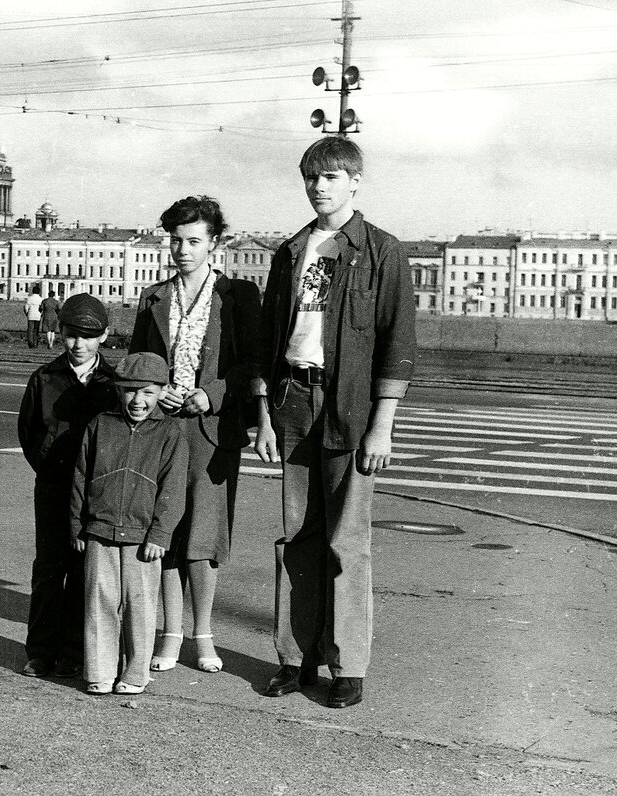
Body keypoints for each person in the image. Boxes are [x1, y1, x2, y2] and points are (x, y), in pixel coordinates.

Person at [251, 135, 416, 709]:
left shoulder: (382, 252)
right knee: (297, 536)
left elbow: (398, 342)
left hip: (351, 406)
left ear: (355, 182)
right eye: (311, 178)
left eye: (331, 177)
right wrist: (266, 415)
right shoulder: (291, 251)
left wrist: (383, 425)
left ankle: (348, 664)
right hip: (295, 400)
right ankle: (295, 659)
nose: (319, 187)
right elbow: (272, 339)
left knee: (348, 540)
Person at [128, 195, 261, 675]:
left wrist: (214, 394)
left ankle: (203, 636)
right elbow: (139, 363)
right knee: (164, 530)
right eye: (176, 241)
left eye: (193, 241)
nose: (182, 250)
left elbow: (253, 363)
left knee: (203, 537)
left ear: (214, 244)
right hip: (164, 429)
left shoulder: (239, 297)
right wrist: (154, 389)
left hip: (211, 429)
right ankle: (170, 635)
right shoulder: (155, 297)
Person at [71, 351, 187, 695]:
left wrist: (160, 533)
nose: (138, 400)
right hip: (99, 530)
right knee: (99, 601)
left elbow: (173, 487)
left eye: (148, 392)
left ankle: (136, 673)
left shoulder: (168, 432)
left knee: (140, 604)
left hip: (142, 537)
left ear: (162, 392)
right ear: (119, 391)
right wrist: (78, 525)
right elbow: (80, 476)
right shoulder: (101, 425)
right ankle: (100, 671)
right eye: (130, 391)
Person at [16, 293, 118, 679]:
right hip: (55, 488)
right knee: (48, 569)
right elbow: (29, 432)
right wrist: (50, 468)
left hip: (96, 493)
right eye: (71, 334)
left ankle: (74, 652)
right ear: (60, 333)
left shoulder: (112, 384)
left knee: (83, 572)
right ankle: (40, 651)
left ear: (104, 337)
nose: (78, 344)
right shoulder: (45, 379)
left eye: (88, 337)